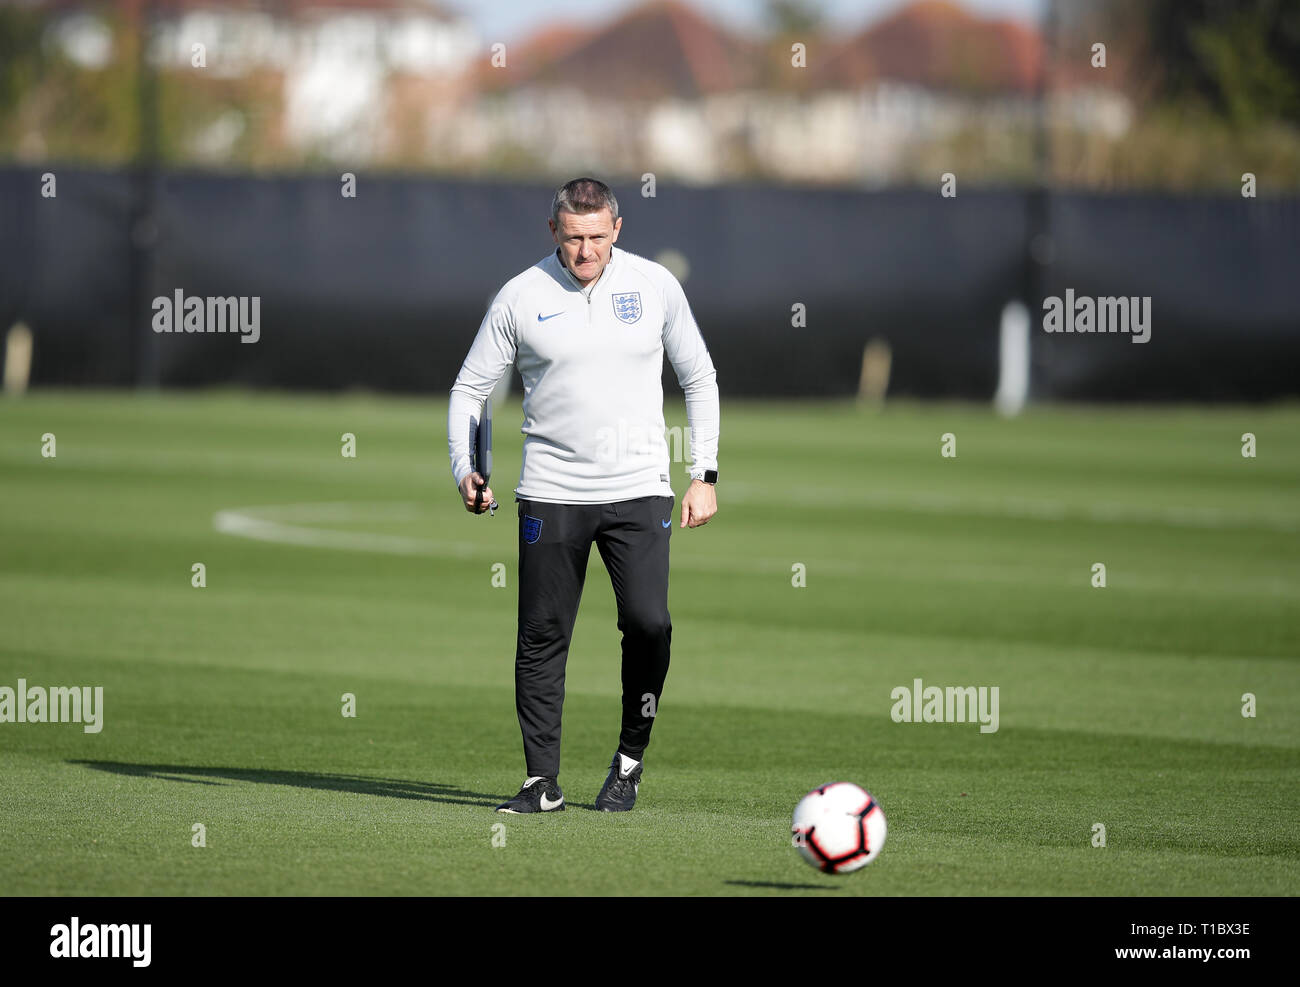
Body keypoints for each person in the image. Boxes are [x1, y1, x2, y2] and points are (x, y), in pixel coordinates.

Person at [446, 177, 719, 813]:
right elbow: (470, 389)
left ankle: (628, 762)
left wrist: (703, 473)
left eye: (597, 237)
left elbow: (698, 376)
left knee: (649, 624)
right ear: (553, 233)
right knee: (541, 634)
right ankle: (541, 781)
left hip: (640, 488)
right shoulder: (520, 295)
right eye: (573, 238)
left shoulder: (655, 287)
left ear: (617, 230)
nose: (586, 251)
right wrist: (467, 467)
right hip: (550, 492)